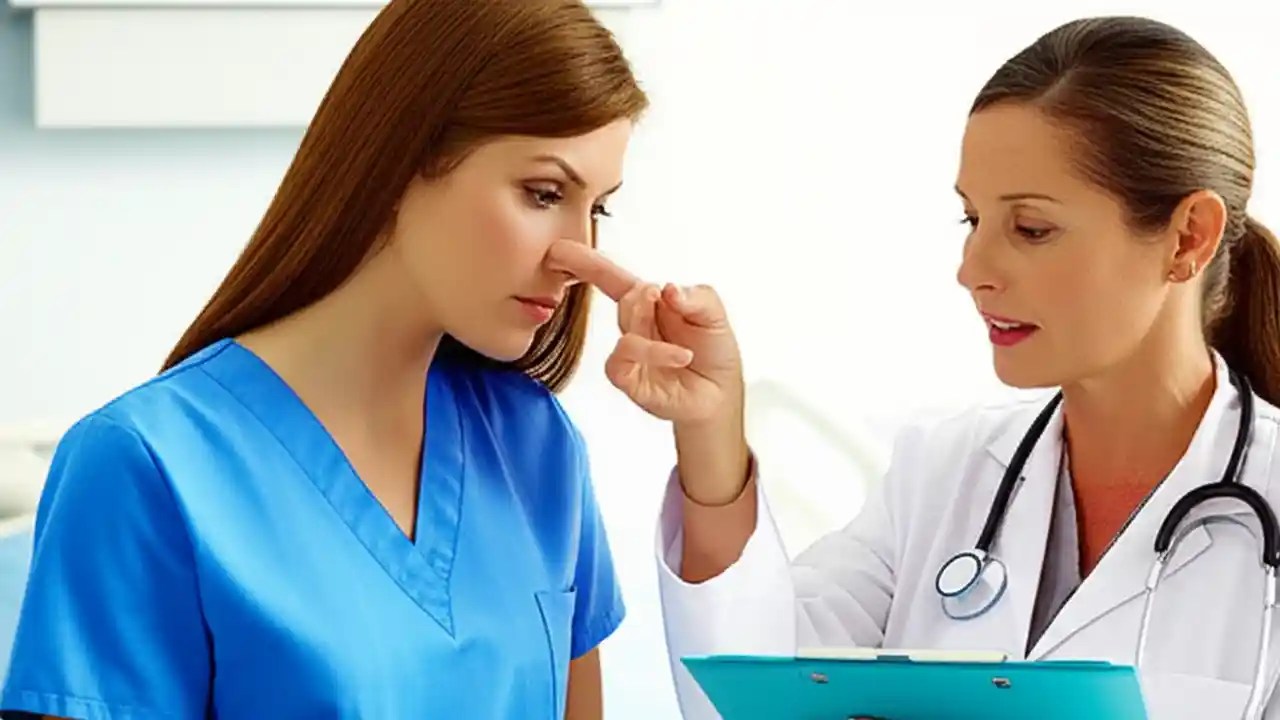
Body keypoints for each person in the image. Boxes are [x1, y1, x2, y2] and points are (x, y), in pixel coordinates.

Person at [553, 14, 1280, 720]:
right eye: (972, 220)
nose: (973, 270)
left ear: (1188, 238)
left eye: (1031, 228)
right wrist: (710, 426)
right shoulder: (944, 475)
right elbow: (750, 694)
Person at [0, 1, 645, 718]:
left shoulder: (537, 445)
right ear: (405, 161)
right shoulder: (145, 464)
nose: (578, 255)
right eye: (544, 193)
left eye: (599, 209)